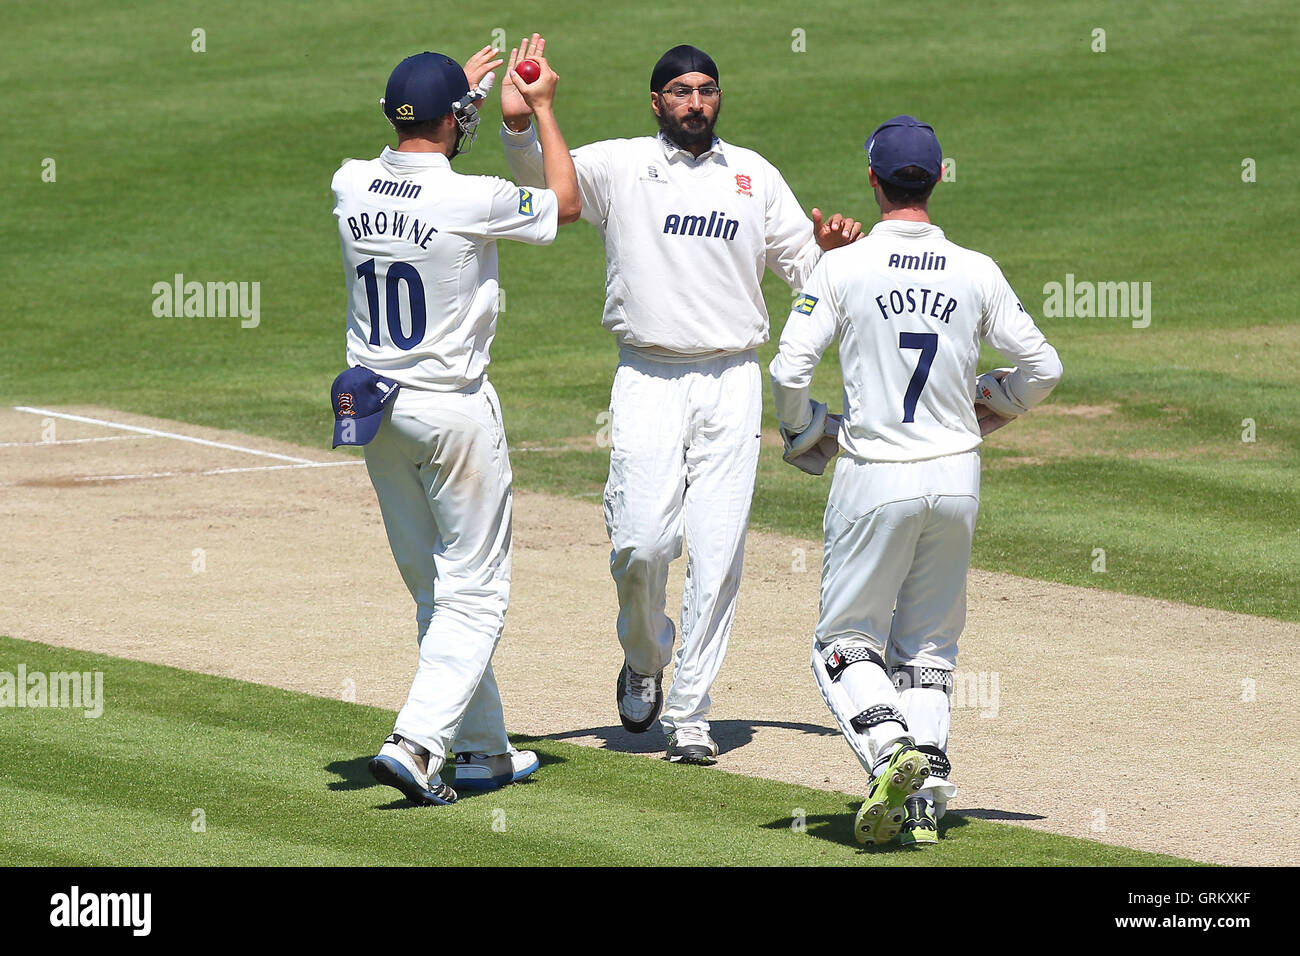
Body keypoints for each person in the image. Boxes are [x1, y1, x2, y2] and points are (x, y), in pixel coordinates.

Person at [498, 38, 862, 765]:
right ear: (657, 101)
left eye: (707, 90)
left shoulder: (753, 176)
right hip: (648, 378)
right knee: (643, 544)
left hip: (732, 380)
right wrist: (520, 123)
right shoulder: (623, 165)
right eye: (682, 91)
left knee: (719, 552)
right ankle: (645, 656)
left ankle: (692, 711)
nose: (696, 102)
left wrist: (832, 250)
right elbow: (547, 186)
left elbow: (812, 276)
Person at [769, 115, 1063, 844]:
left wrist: (805, 432)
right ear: (935, 179)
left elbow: (786, 369)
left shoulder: (844, 266)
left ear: (873, 180)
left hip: (877, 475)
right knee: (928, 647)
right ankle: (926, 797)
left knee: (842, 643)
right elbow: (1045, 369)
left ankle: (891, 748)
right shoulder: (976, 268)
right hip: (957, 477)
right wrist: (992, 407)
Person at [329, 46, 581, 805]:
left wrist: (457, 93)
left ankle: (483, 751)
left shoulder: (347, 182)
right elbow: (565, 204)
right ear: (453, 120)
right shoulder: (471, 197)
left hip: (373, 411)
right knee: (476, 594)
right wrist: (537, 108)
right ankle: (417, 742)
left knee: (433, 588)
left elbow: (410, 141)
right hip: (452, 413)